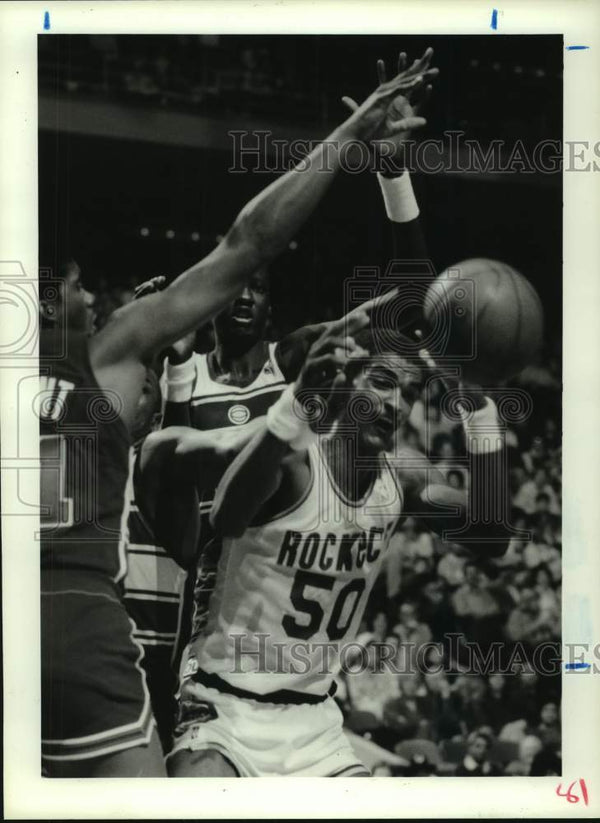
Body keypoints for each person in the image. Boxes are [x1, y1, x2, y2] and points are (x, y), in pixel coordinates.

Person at [38, 58, 429, 777]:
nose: (244, 293)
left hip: (209, 612)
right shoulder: (154, 359)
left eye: (258, 287)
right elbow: (243, 248)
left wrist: (391, 175)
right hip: (129, 593)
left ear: (271, 304)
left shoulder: (296, 360)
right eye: (235, 287)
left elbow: (404, 311)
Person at [167, 288, 511, 776]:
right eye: (382, 383)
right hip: (224, 707)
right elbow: (225, 518)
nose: (394, 404)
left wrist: (482, 414)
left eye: (409, 393)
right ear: (345, 382)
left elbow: (492, 537)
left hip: (314, 723)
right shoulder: (291, 458)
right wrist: (292, 407)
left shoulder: (404, 478)